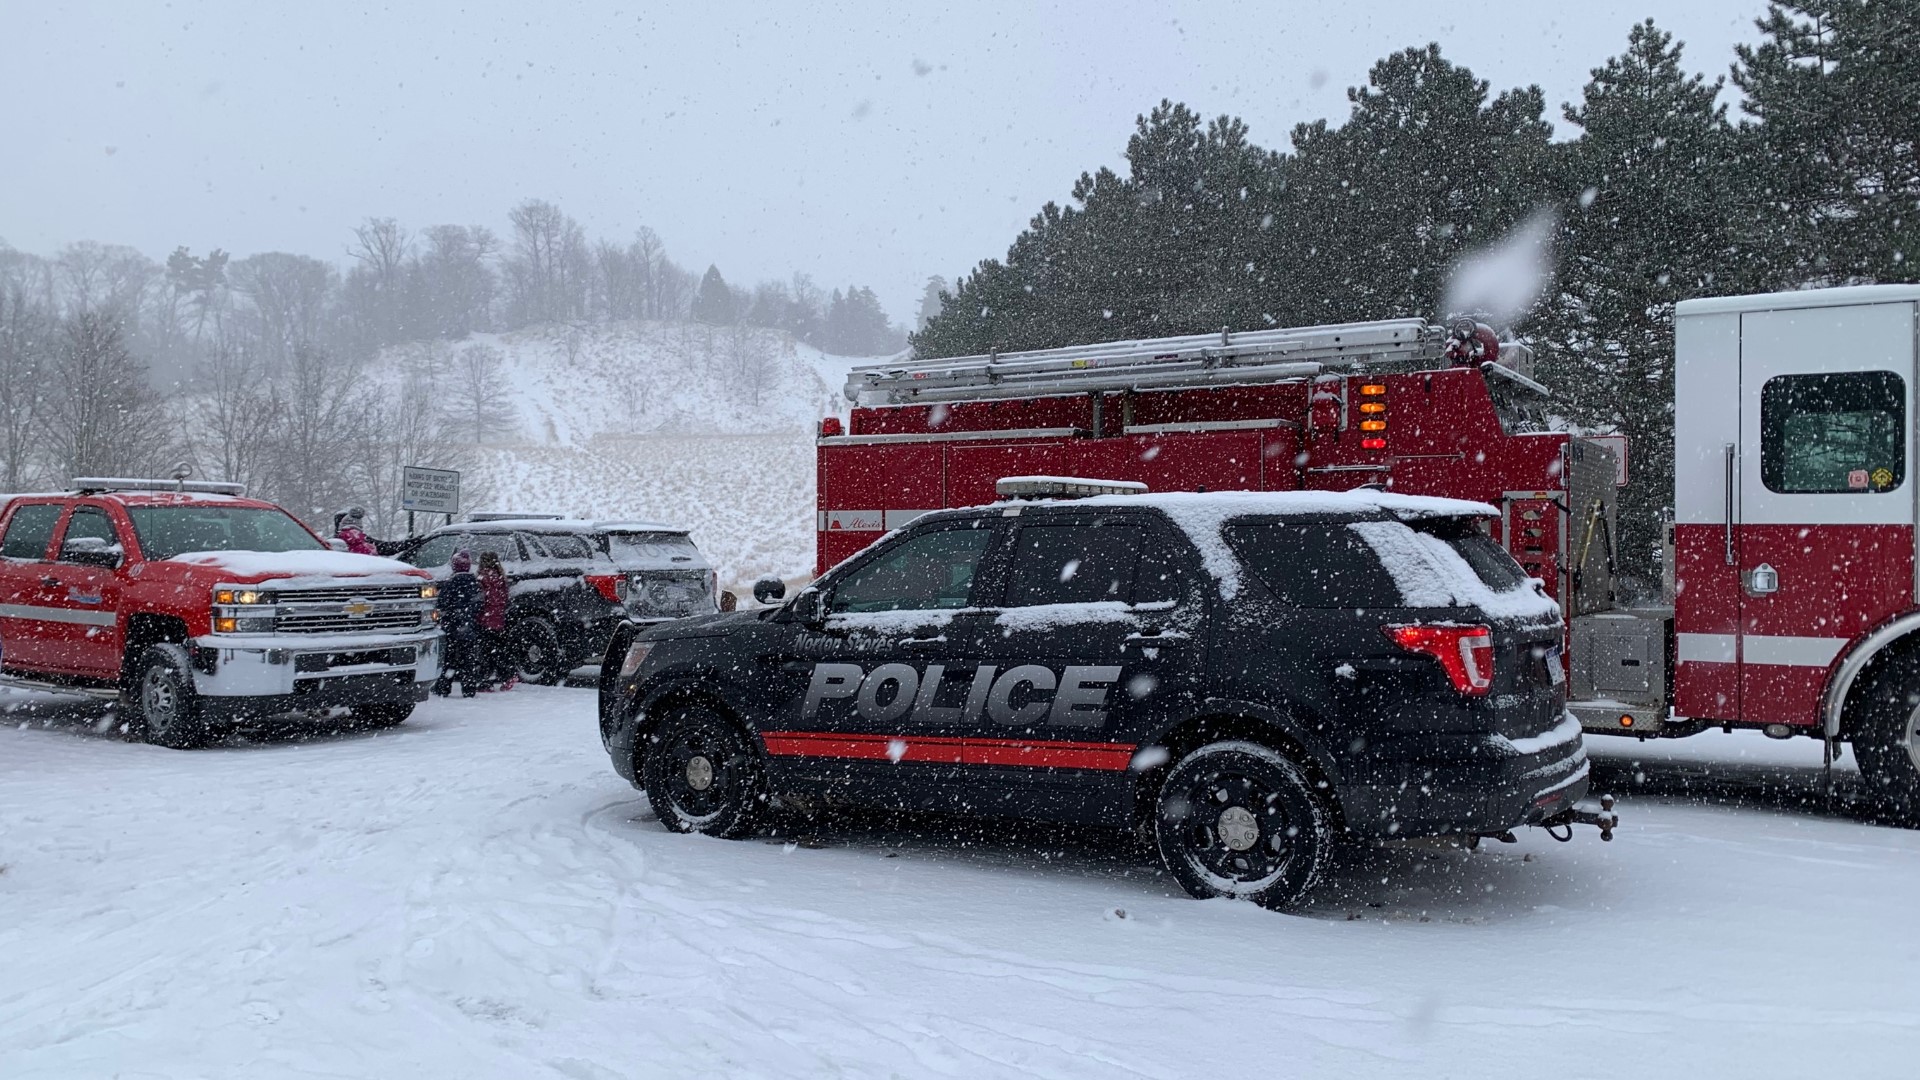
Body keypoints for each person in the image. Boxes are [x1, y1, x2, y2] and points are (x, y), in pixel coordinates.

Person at [433, 550, 484, 697]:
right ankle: (469, 688)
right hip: (469, 626)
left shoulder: (450, 583)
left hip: (451, 626)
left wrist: (446, 615)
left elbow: (442, 603)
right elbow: (479, 603)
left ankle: (443, 687)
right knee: (468, 659)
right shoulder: (475, 583)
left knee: (448, 658)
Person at [476, 550, 515, 691]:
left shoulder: (482, 578)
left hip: (485, 619)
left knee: (486, 652)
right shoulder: (500, 577)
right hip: (498, 618)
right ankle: (507, 675)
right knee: (498, 649)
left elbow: (480, 599)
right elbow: (504, 598)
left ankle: (486, 680)